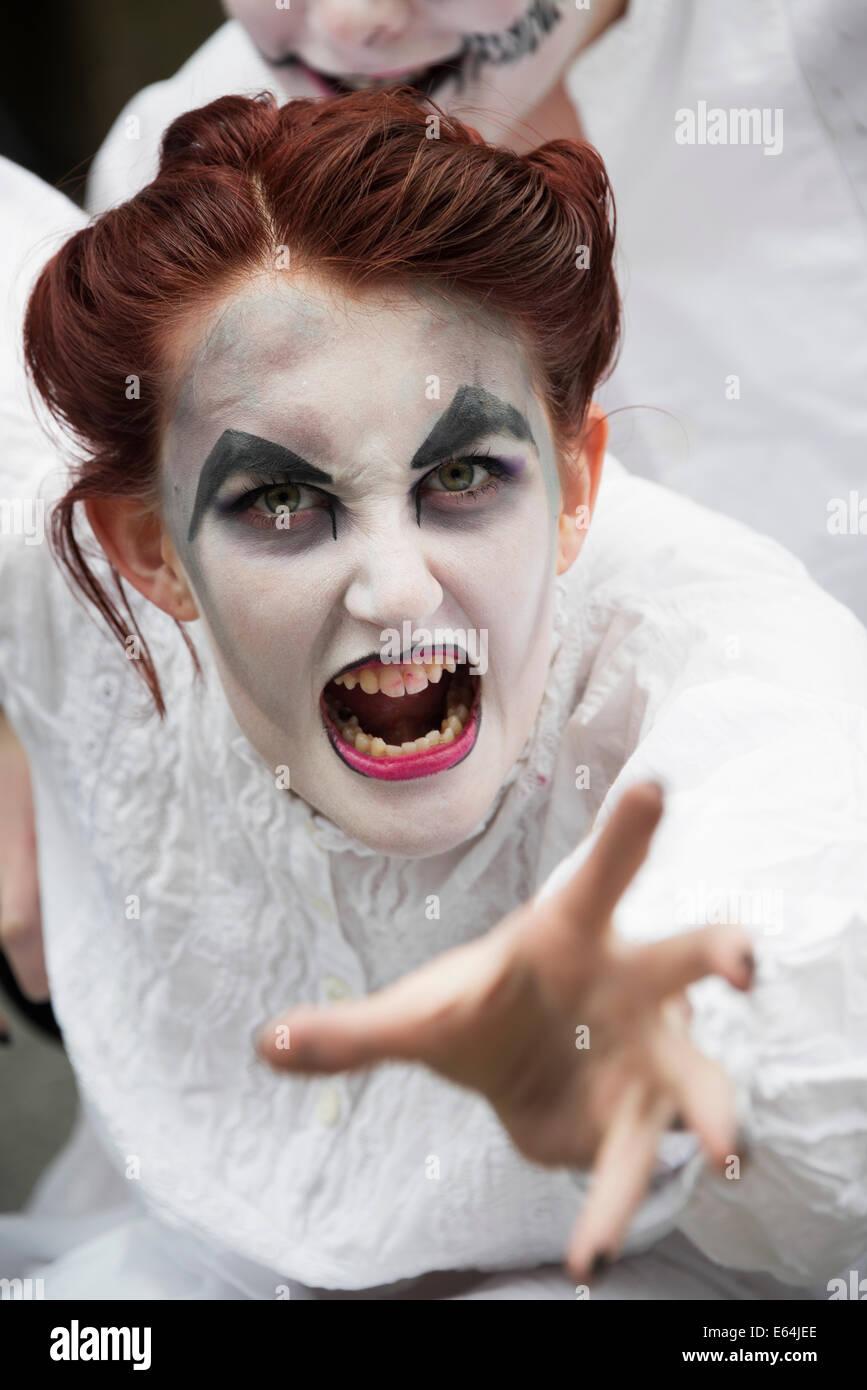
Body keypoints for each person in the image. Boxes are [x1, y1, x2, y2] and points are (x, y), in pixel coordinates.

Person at [0, 90, 865, 1299]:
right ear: (149, 552)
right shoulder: (53, 565)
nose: (397, 592)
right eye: (282, 502)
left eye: (462, 474)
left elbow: (795, 882)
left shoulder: (738, 662)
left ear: (574, 486)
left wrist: (655, 1052)